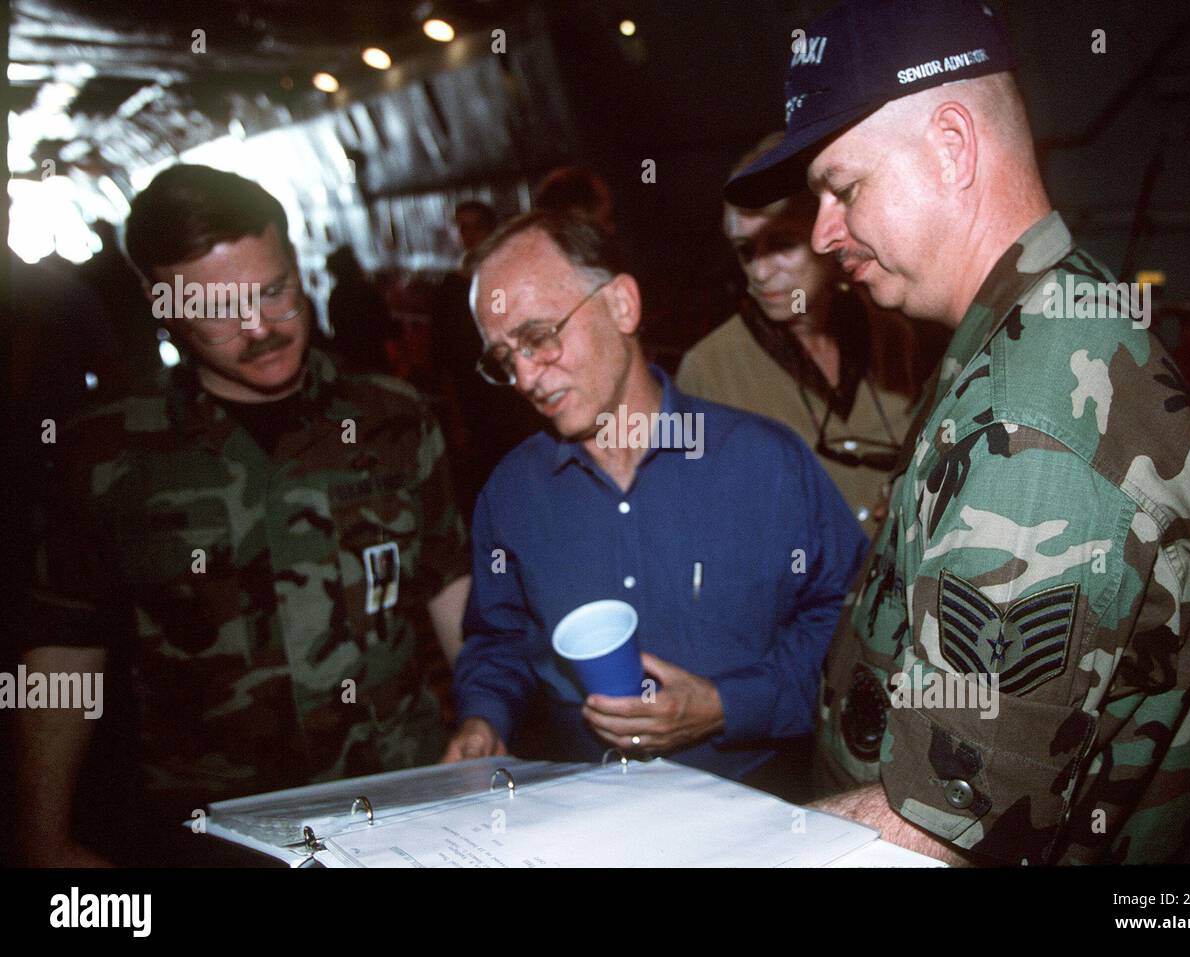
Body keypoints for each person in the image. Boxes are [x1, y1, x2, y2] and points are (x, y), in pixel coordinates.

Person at [725, 0, 1190, 864]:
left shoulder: (1035, 417)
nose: (821, 233)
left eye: (844, 189)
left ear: (953, 146)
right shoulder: (1027, 329)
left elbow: (940, 830)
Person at [18, 164, 472, 866]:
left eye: (275, 291)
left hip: (397, 803)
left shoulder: (393, 418)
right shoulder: (107, 456)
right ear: (160, 302)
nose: (260, 327)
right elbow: (64, 646)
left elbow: (451, 586)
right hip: (215, 833)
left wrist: (482, 725)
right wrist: (41, 835)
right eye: (220, 308)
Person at [441, 210, 867, 796]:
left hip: (757, 815)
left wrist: (728, 705)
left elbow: (848, 626)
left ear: (621, 305)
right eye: (503, 358)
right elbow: (498, 638)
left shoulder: (763, 464)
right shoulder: (512, 495)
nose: (525, 376)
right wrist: (484, 718)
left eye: (539, 338)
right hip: (579, 818)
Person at [677, 132, 917, 535]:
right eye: (745, 250)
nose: (759, 271)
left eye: (782, 244)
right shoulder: (708, 370)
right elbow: (701, 524)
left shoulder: (893, 333)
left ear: (826, 232)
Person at [431, 200, 535, 518]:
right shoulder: (450, 293)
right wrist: (457, 420)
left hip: (516, 404)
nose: (470, 235)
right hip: (475, 407)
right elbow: (445, 362)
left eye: (476, 226)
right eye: (463, 227)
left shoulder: (514, 281)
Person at [325, 243, 397, 373]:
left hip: (351, 358)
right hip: (373, 355)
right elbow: (384, 322)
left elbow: (336, 327)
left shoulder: (336, 295)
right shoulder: (367, 291)